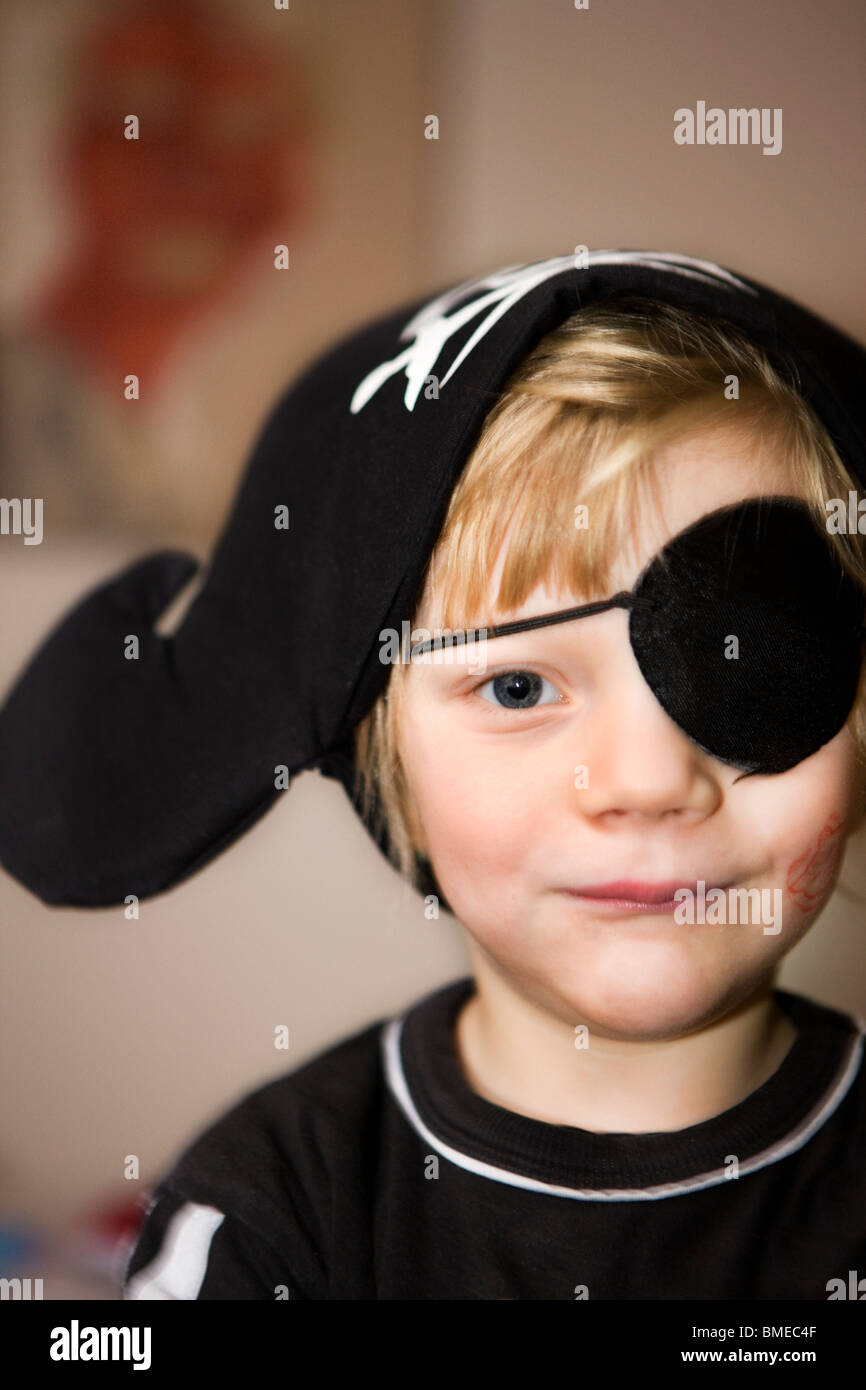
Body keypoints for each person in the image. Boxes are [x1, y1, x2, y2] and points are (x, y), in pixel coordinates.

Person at [114, 264, 866, 1299]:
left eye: (746, 662)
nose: (645, 782)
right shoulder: (273, 1218)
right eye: (516, 686)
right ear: (383, 758)